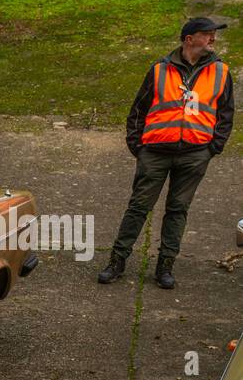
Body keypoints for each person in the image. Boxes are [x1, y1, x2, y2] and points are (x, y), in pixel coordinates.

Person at [98, 17, 234, 289]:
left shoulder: (220, 72)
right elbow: (138, 109)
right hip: (155, 153)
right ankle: (117, 261)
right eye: (207, 34)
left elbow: (226, 114)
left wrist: (213, 148)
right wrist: (138, 147)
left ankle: (165, 266)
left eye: (212, 35)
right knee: (138, 207)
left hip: (195, 154)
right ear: (189, 39)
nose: (213, 40)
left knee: (178, 210)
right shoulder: (160, 70)